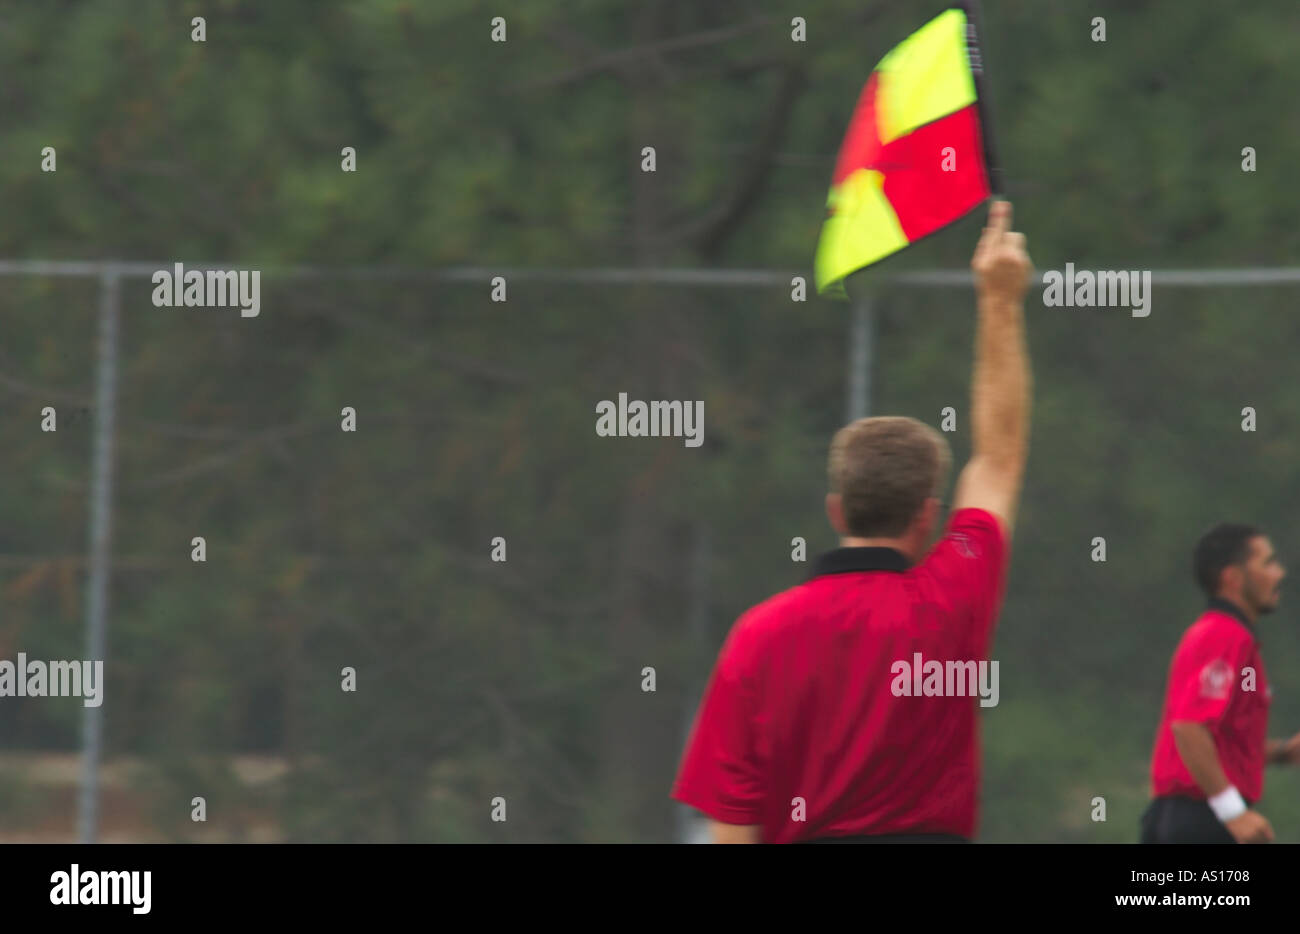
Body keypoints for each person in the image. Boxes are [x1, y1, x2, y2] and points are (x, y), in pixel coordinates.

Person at [670, 201, 1032, 843]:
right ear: (928, 516)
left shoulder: (758, 636)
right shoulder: (954, 596)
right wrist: (999, 299)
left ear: (835, 509)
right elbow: (999, 458)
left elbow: (731, 830)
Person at [1141, 523, 1300, 843]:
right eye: (1267, 563)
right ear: (1233, 578)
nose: (1279, 573)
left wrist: (1283, 752)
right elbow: (1188, 727)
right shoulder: (1223, 635)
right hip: (1199, 820)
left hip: (1191, 817)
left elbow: (1214, 743)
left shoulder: (1229, 637)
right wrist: (1233, 813)